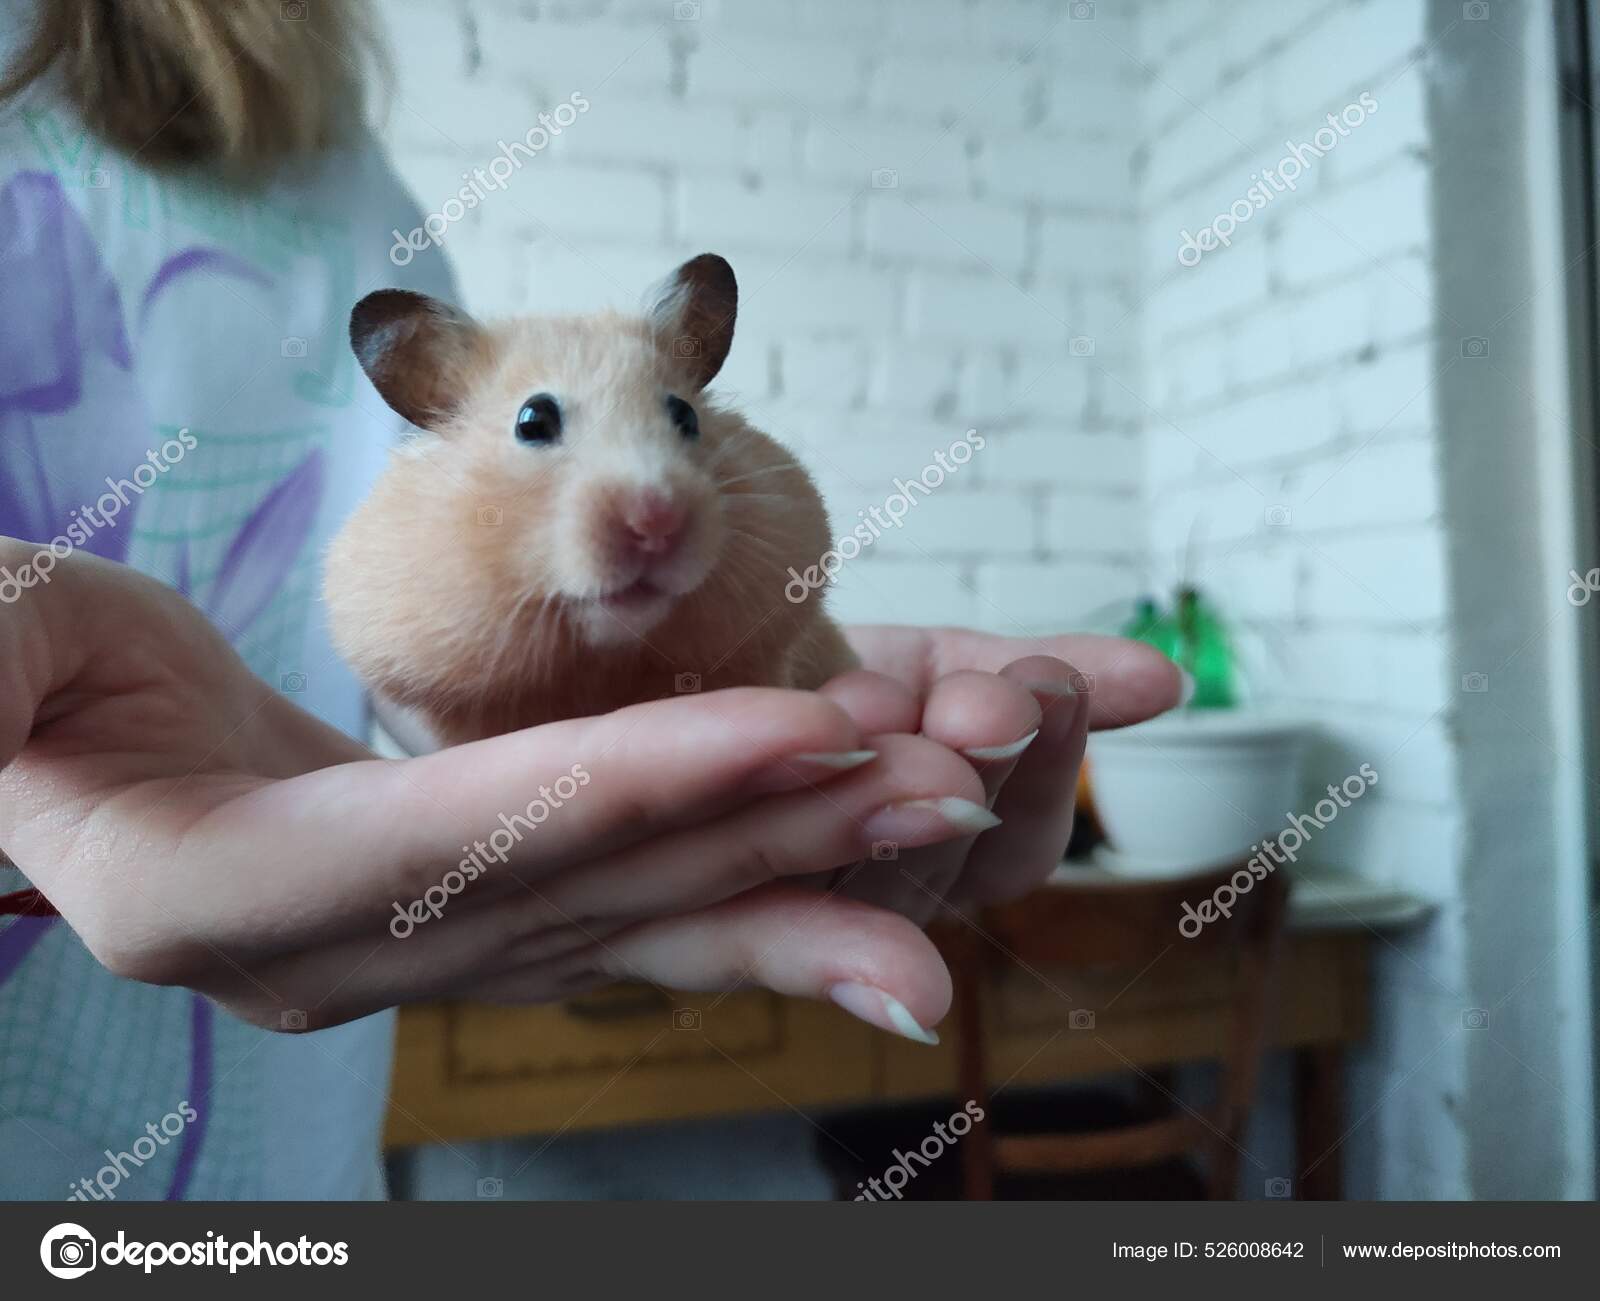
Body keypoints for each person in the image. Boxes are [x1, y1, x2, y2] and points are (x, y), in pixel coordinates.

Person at [0, 0, 1181, 1200]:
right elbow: (377, 623)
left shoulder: (294, 99)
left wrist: (553, 792)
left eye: (677, 421)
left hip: (293, 1110)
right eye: (540, 430)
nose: (652, 496)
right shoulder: (422, 497)